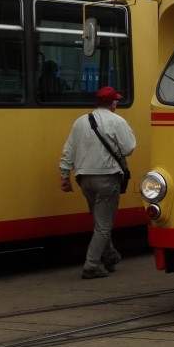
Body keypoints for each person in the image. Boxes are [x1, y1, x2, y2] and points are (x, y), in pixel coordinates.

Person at [59, 86, 136, 279]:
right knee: (103, 225)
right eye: (116, 101)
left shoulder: (80, 122)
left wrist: (64, 175)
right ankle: (91, 265)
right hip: (107, 178)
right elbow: (129, 148)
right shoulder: (117, 121)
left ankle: (109, 256)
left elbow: (69, 150)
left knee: (100, 221)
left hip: (84, 178)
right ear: (113, 103)